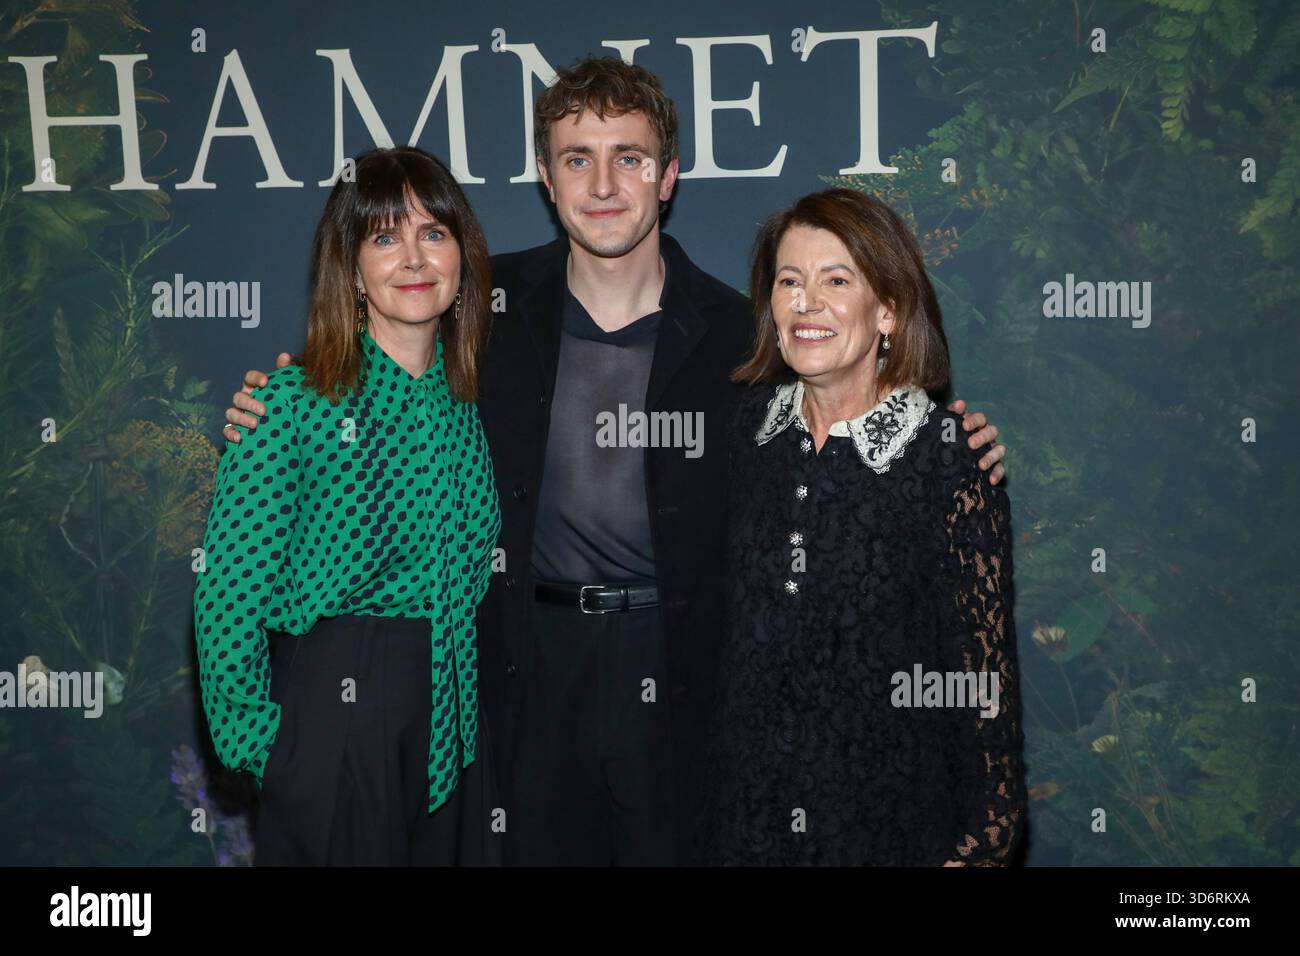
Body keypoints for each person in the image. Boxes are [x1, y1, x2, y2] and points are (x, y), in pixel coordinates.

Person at [218, 57, 1008, 866]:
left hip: (678, 669)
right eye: (576, 158)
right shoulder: (479, 311)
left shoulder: (749, 335)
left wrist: (944, 433)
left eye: (628, 157)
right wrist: (284, 394)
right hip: (523, 669)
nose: (602, 184)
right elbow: (380, 364)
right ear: (544, 176)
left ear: (667, 176)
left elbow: (846, 396)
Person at [696, 188, 1027, 865]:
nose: (806, 302)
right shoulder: (746, 433)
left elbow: (979, 674)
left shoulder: (946, 458)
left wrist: (988, 836)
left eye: (835, 280)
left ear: (888, 311)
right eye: (789, 281)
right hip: (749, 820)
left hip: (892, 823)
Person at [193, 146, 502, 865]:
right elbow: (227, 597)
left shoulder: (468, 405)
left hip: (454, 716)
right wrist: (276, 750)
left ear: (462, 258)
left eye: (434, 233)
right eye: (385, 237)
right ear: (352, 267)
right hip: (334, 717)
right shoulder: (288, 404)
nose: (414, 259)